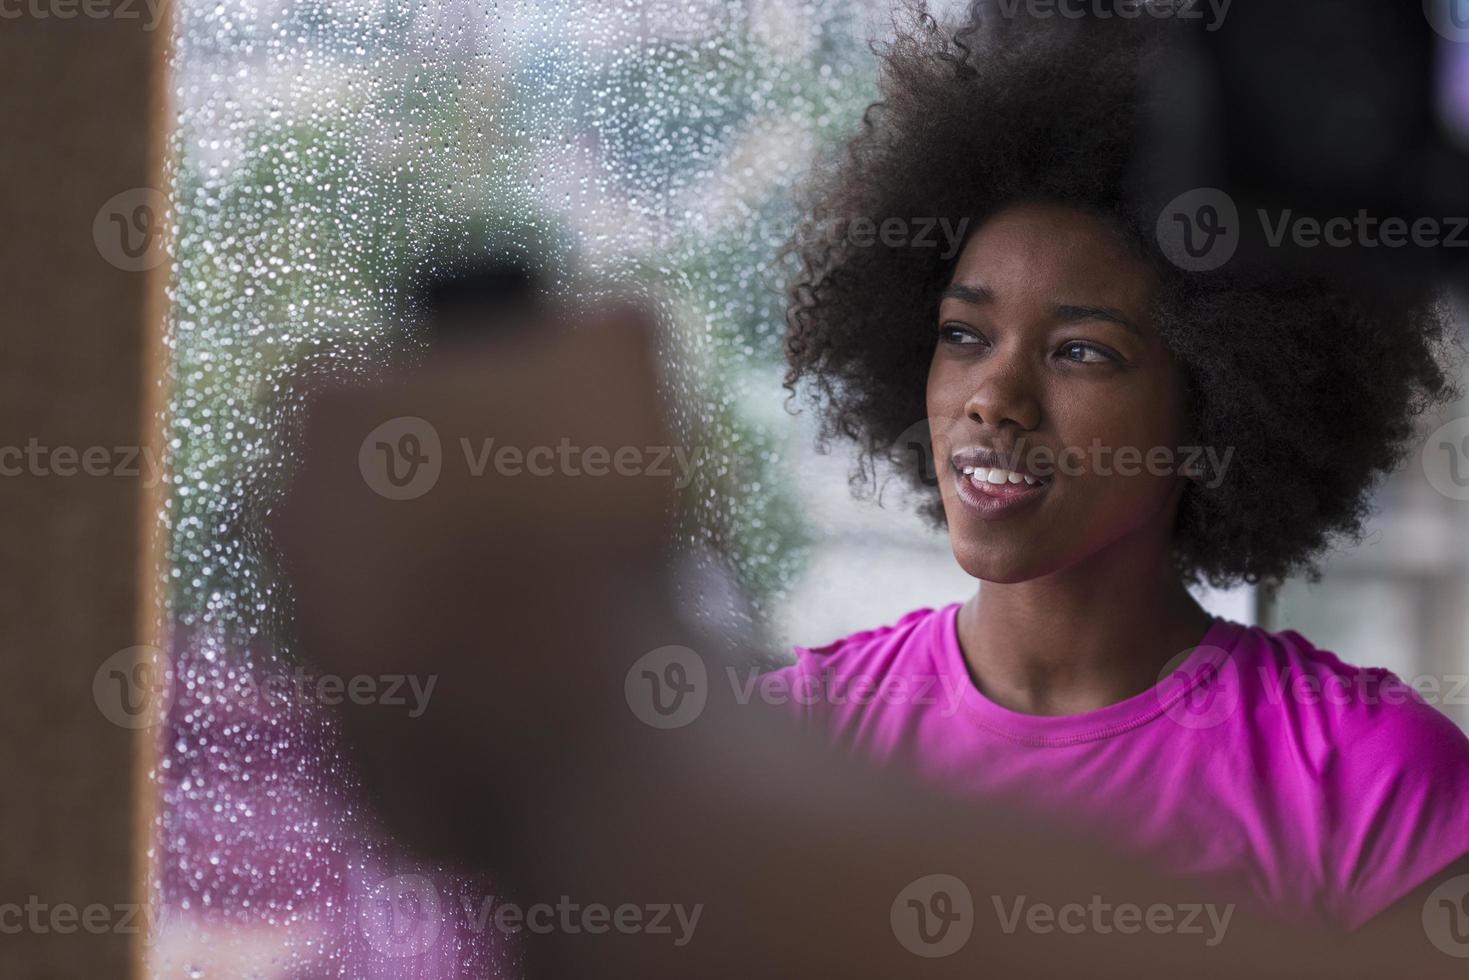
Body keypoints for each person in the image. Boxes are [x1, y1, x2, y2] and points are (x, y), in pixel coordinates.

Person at [772, 3, 1469, 933]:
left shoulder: (1376, 782)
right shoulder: (796, 743)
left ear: (1215, 402)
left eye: (1082, 352)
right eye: (963, 336)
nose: (993, 399)